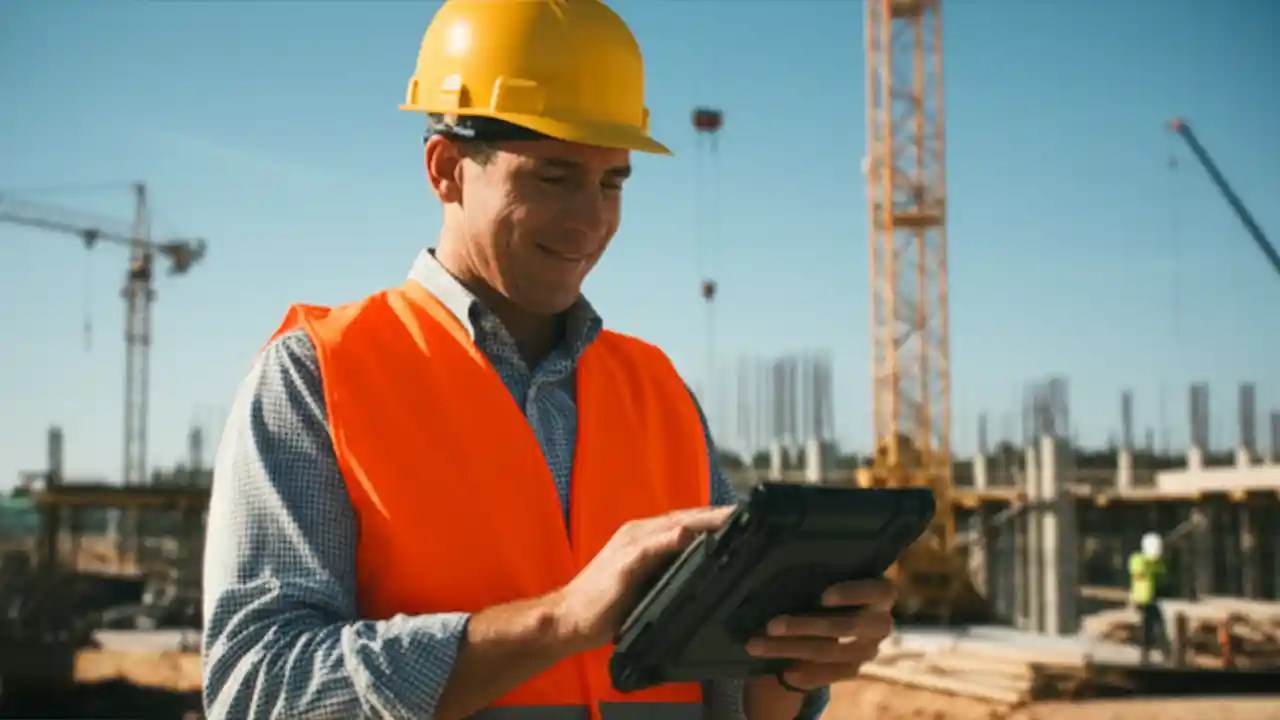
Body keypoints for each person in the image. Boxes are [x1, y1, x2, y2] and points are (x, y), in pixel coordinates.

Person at [200, 1, 896, 718]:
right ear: (446, 169)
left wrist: (792, 664)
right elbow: (257, 689)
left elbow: (726, 704)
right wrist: (559, 622)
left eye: (611, 183)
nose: (590, 221)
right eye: (554, 177)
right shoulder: (319, 378)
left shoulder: (658, 392)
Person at [1129, 531, 1171, 665]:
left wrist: (1160, 561)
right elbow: (1139, 571)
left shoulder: (1154, 563)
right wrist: (1152, 563)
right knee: (1149, 625)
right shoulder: (1137, 559)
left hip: (1151, 598)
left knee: (1155, 624)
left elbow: (1163, 574)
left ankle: (1158, 653)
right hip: (1141, 599)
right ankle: (1151, 653)